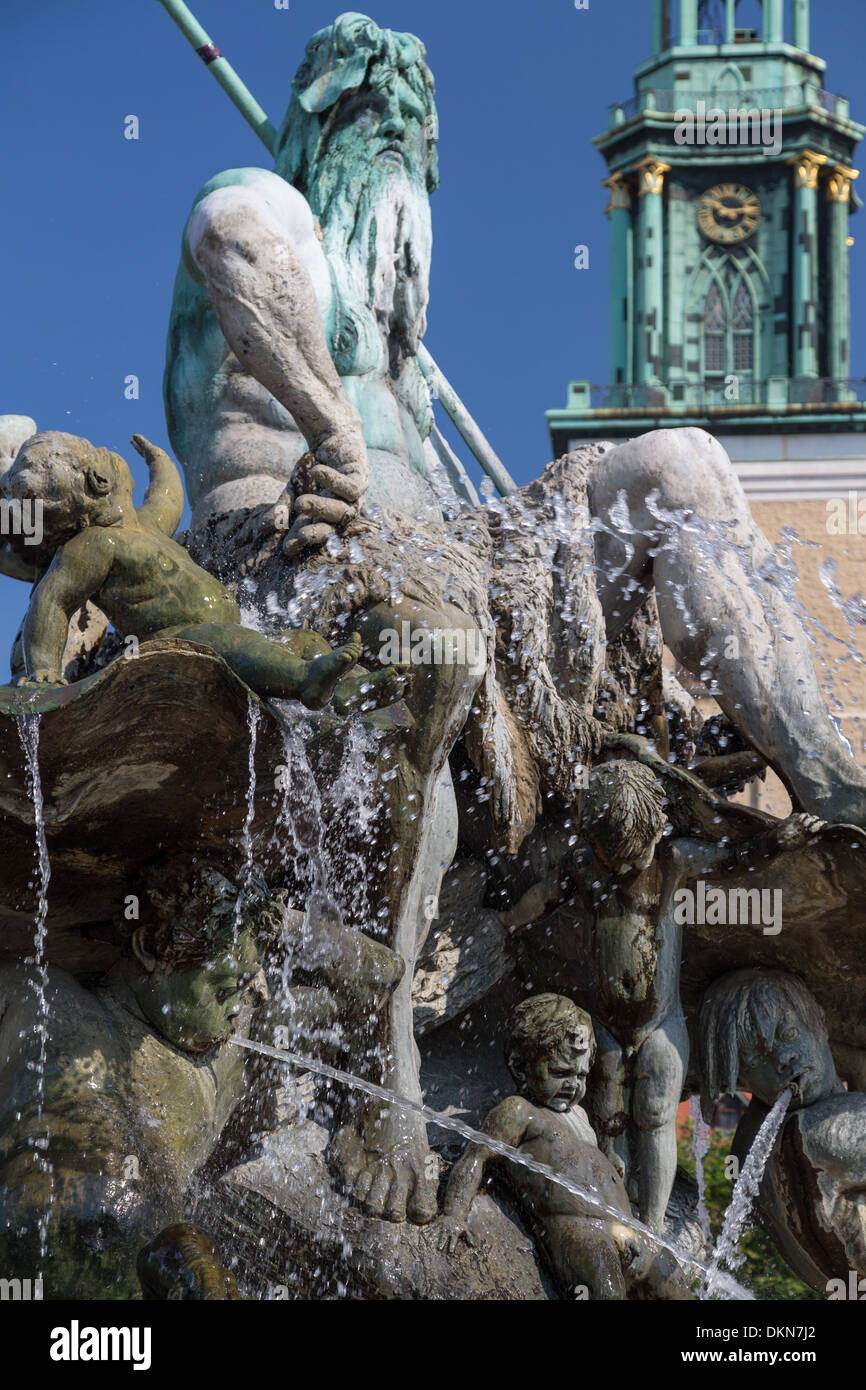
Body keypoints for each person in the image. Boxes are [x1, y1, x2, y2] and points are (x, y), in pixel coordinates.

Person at [438, 994, 689, 1299]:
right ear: (520, 1068)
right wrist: (452, 1216)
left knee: (675, 1282)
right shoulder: (519, 1112)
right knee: (605, 1294)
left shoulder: (581, 1116)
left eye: (580, 1075)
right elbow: (474, 1160)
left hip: (629, 1231)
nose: (572, 1084)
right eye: (559, 1072)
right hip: (580, 1235)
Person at [698, 968, 866, 1290]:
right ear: (740, 1080)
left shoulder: (751, 1147)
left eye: (787, 1034)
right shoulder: (828, 1126)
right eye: (754, 1060)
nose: (783, 1059)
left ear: (817, 1020)